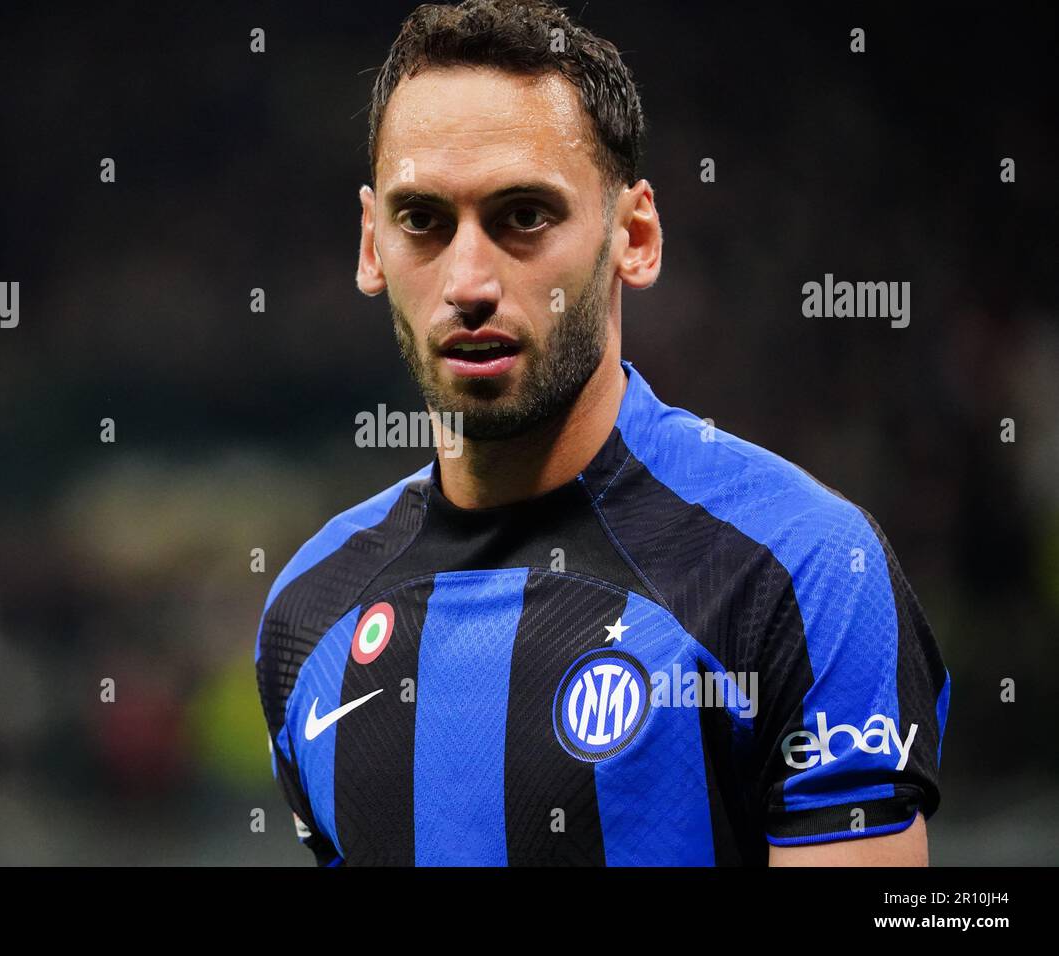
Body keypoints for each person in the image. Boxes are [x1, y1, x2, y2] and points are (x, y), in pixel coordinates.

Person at [254, 0, 949, 866]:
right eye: (423, 221)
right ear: (371, 245)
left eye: (525, 216)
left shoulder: (801, 572)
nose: (469, 280)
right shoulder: (306, 614)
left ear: (636, 236)